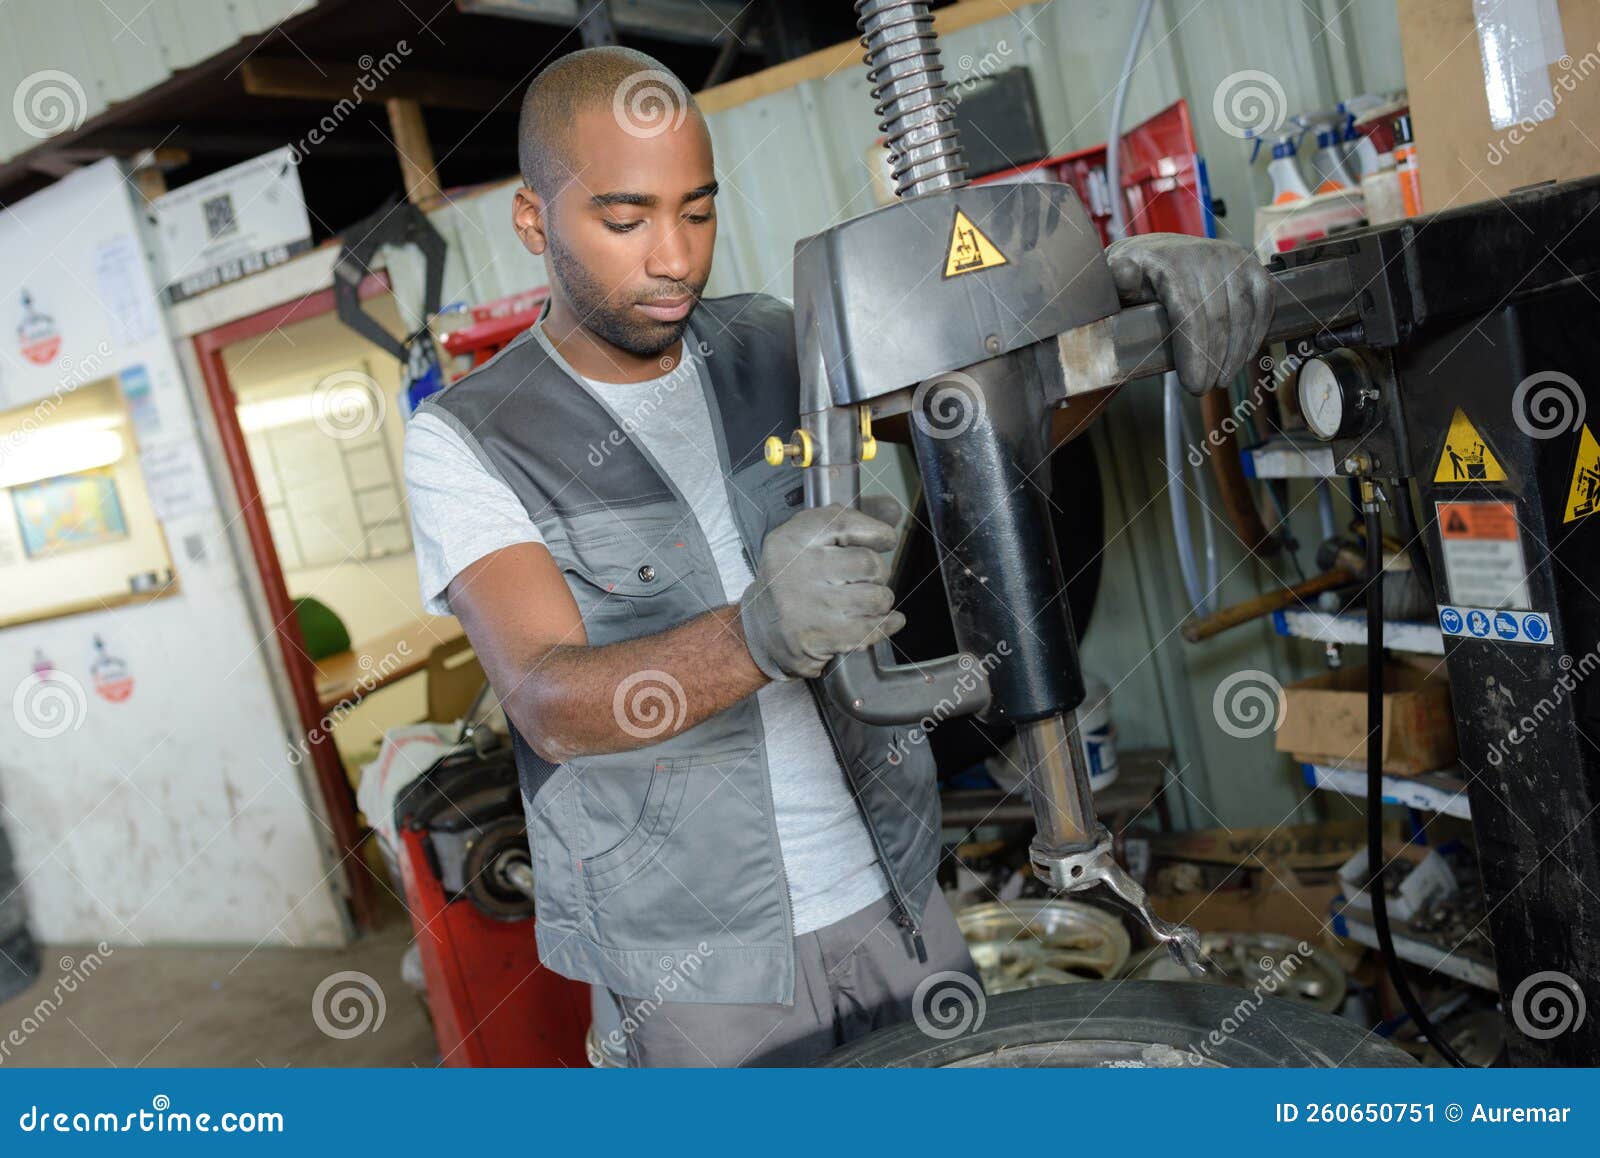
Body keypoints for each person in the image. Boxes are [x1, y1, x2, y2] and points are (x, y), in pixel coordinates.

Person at [403, 45, 1272, 1067]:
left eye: (698, 209)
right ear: (531, 219)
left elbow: (988, 425)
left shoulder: (776, 344)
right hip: (701, 972)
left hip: (899, 902)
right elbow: (547, 702)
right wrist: (755, 634)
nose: (675, 257)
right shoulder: (473, 435)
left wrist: (1125, 303)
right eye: (625, 218)